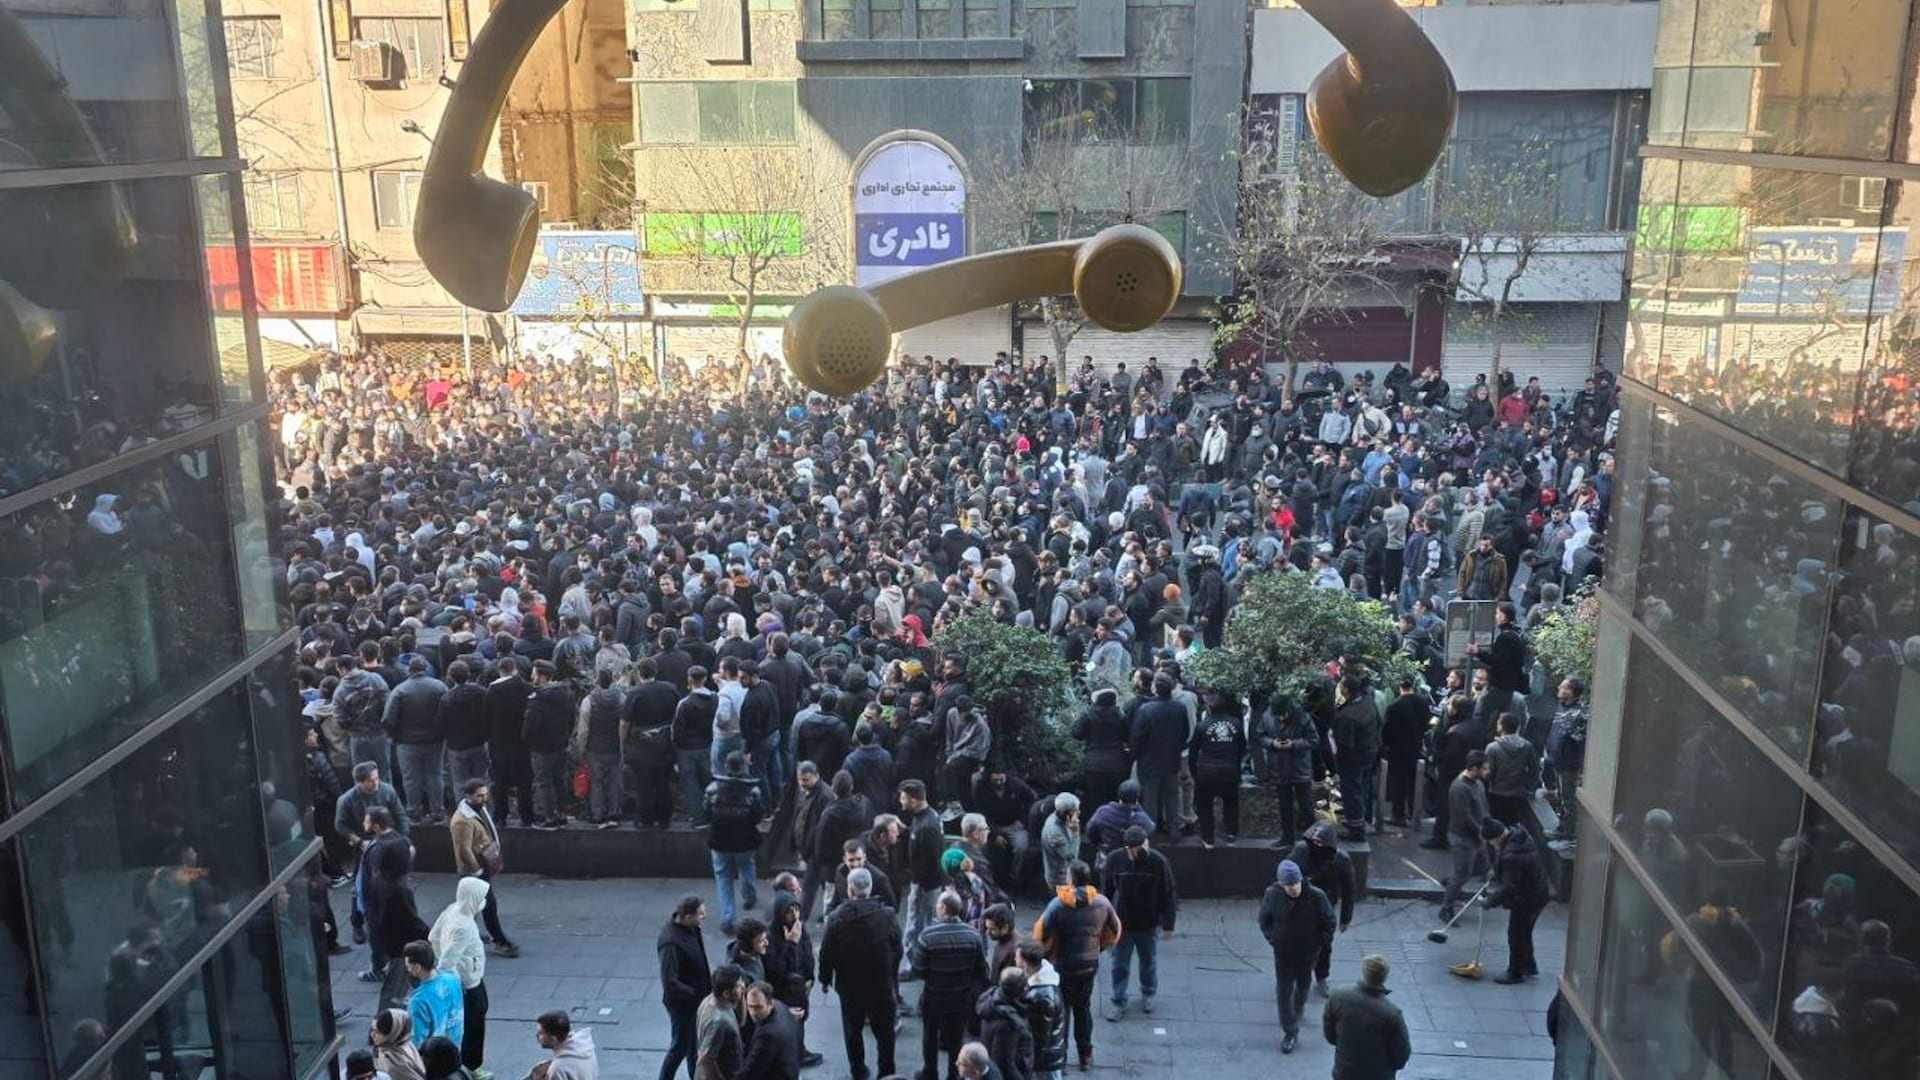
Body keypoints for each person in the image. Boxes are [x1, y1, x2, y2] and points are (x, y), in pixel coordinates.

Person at [1032, 861, 1121, 1072]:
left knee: (1061, 1012)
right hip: (1089, 965)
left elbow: (1039, 935)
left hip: (1061, 965)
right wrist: (1099, 948)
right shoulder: (1102, 903)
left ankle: (1060, 1060)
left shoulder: (1057, 905)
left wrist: (1045, 955)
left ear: (1071, 879)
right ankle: (1086, 1056)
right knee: (1083, 1009)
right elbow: (1115, 931)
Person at [817, 867, 902, 1080]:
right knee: (885, 1032)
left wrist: (825, 978)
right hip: (881, 984)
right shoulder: (887, 915)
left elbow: (827, 952)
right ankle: (887, 1072)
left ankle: (858, 1070)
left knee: (853, 1031)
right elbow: (897, 948)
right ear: (870, 887)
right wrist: (890, 971)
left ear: (850, 889)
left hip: (850, 986)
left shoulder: (836, 918)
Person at [1258, 859, 1335, 1055]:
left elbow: (1329, 922)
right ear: (1281, 884)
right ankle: (1290, 1031)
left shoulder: (1316, 897)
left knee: (1302, 986)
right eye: (1288, 885)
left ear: (1301, 880)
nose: (1292, 888)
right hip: (1283, 954)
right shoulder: (1272, 895)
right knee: (1283, 993)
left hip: (1308, 954)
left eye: (1295, 883)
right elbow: (1264, 921)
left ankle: (1298, 1008)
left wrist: (1319, 944)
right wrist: (1274, 940)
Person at [911, 889, 991, 1080]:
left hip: (934, 995)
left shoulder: (927, 936)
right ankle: (954, 1074)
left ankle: (930, 1071)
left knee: (930, 1036)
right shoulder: (973, 935)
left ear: (943, 908)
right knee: (956, 1038)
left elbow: (917, 969)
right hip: (960, 996)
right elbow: (980, 968)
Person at [1099, 826, 1175, 1021]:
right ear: (1128, 848)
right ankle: (1118, 1000)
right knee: (1119, 964)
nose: (1143, 850)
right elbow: (1106, 890)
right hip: (1122, 923)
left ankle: (1148, 993)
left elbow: (1168, 892)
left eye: (1144, 844)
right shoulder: (1115, 860)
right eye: (1137, 847)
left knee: (1148, 962)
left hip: (1148, 923)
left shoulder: (1158, 862)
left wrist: (1168, 924)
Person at [336, 761, 409, 948]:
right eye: (370, 781)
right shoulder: (347, 799)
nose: (375, 783)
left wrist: (403, 840)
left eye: (376, 779)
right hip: (363, 844)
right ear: (359, 782)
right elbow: (340, 825)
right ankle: (357, 923)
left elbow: (400, 815)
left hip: (388, 840)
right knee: (360, 884)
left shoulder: (387, 791)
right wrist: (358, 841)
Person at [364, 806, 429, 1011]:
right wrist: (429, 934)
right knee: (396, 987)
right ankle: (383, 1023)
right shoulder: (399, 889)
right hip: (402, 944)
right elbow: (411, 919)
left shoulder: (379, 881)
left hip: (390, 941)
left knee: (411, 980)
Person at [428, 876, 492, 1076]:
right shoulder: (464, 926)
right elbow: (448, 961)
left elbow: (433, 937)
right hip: (469, 983)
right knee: (474, 1024)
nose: (484, 901)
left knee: (471, 1020)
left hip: (466, 980)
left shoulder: (452, 909)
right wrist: (458, 974)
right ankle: (473, 1066)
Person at [448, 779, 519, 958]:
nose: (484, 798)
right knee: (488, 905)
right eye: (480, 795)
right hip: (474, 870)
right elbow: (463, 849)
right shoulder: (462, 821)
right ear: (468, 796)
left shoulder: (477, 809)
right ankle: (500, 941)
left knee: (469, 907)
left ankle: (464, 936)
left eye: (485, 794)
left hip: (482, 865)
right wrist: (476, 871)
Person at [1287, 820, 1357, 998]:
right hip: (1301, 904)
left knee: (1325, 945)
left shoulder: (1341, 860)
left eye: (1321, 842)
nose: (1317, 846)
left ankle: (1321, 977)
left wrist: (1346, 917)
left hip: (1326, 907)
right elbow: (1284, 874)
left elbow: (1349, 889)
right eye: (1314, 841)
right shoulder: (1302, 851)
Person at [765, 874, 824, 1068]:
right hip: (785, 988)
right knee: (790, 1023)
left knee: (800, 1020)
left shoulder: (800, 927)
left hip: (800, 984)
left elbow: (807, 951)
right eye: (789, 912)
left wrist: (810, 976)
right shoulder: (773, 936)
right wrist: (790, 944)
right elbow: (775, 969)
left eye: (796, 910)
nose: (795, 916)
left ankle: (800, 1050)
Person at [1323, 954, 1413, 1080]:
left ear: (1363, 973)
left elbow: (1330, 1035)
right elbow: (1401, 1054)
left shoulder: (1337, 996)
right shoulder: (1392, 1014)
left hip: (1345, 1070)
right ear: (1384, 977)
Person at [706, 749, 766, 935]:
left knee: (723, 877)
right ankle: (749, 896)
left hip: (720, 840)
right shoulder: (752, 790)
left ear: (726, 766)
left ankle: (728, 917)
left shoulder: (713, 789)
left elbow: (707, 813)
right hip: (745, 840)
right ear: (744, 766)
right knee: (746, 867)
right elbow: (757, 816)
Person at [1483, 819, 1551, 984]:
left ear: (1497, 838)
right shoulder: (1519, 837)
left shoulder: (1512, 856)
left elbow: (1510, 887)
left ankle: (1515, 972)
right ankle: (1528, 965)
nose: (1492, 846)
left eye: (1491, 842)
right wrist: (1496, 870)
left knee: (1516, 934)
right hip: (1539, 892)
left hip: (1527, 899)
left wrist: (1489, 901)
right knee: (1525, 932)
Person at [385, 657, 451, 822]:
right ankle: (437, 811)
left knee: (411, 778)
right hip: (435, 740)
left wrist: (395, 735)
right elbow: (448, 709)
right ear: (425, 669)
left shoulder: (400, 690)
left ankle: (414, 811)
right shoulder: (439, 687)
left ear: (410, 671)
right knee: (435, 776)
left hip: (407, 742)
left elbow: (388, 718)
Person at [658, 896, 714, 1080]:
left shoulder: (691, 928)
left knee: (693, 1046)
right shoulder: (670, 942)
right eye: (701, 914)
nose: (704, 917)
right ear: (688, 916)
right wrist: (695, 993)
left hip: (695, 999)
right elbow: (670, 981)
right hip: (682, 1005)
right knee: (680, 1046)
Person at [1128, 674, 1188, 836]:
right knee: (1172, 796)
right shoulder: (1180, 708)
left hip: (1149, 762)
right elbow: (1184, 733)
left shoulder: (1145, 710)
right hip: (1171, 760)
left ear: (1155, 689)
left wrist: (1135, 754)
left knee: (1150, 800)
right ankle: (1174, 830)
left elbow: (1137, 737)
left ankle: (1150, 833)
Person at [1187, 690, 1247, 848]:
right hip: (1230, 769)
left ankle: (1208, 838)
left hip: (1207, 771)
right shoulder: (1236, 723)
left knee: (1205, 804)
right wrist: (1236, 763)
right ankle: (1231, 834)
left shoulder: (1202, 726)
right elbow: (1243, 747)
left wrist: (1194, 771)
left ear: (1209, 708)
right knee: (1231, 802)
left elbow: (1193, 751)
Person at [1439, 752, 1493, 924]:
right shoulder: (1460, 788)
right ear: (1474, 768)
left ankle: (1455, 887)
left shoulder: (1478, 784)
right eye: (1484, 768)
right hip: (1463, 838)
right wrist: (1481, 832)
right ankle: (1446, 907)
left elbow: (1482, 809)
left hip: (1477, 836)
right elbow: (1465, 816)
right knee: (1462, 874)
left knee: (1484, 869)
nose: (1487, 772)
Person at [1380, 678, 1430, 828]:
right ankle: (1413, 811)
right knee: (1414, 781)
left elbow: (1388, 730)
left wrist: (1386, 745)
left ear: (1399, 687)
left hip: (1398, 749)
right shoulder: (1423, 702)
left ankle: (1399, 814)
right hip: (1416, 747)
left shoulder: (1395, 706)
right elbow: (1425, 723)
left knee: (1398, 782)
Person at [1016, 941, 1068, 1080]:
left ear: (1025, 964)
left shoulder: (1040, 997)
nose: (1015, 961)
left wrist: (1030, 1064)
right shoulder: (1043, 983)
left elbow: (1040, 1039)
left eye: (1017, 958)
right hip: (1050, 1058)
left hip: (1046, 1063)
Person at [1545, 677, 1588, 839]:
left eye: (1564, 687)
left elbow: (1577, 742)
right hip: (1557, 760)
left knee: (1568, 798)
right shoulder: (1561, 707)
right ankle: (1562, 828)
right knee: (1562, 796)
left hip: (1568, 764)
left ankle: (1569, 833)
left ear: (1573, 693)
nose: (1559, 689)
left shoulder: (1580, 714)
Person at [403, 940, 465, 1049]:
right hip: (455, 1045)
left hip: (433, 1056)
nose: (407, 970)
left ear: (417, 967)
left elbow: (417, 1039)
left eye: (408, 966)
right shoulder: (453, 979)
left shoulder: (418, 1000)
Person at [977, 967, 1035, 1080]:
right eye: (1025, 984)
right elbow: (1005, 1065)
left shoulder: (993, 1001)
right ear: (1019, 989)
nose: (1028, 987)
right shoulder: (1008, 1024)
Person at [1484, 712, 1541, 827]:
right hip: (1518, 793)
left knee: (1497, 825)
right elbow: (1534, 770)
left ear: (1501, 726)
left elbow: (1488, 773)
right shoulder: (1527, 746)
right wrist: (1527, 786)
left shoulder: (1492, 748)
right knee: (1514, 825)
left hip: (1497, 792)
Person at [738, 980, 803, 1080]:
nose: (753, 1012)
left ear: (770, 1004)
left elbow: (751, 1071)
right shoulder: (780, 1006)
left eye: (758, 1007)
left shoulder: (768, 1035)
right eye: (750, 1006)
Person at [696, 964, 747, 1080]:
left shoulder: (712, 1000)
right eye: (738, 986)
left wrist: (741, 994)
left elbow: (741, 1022)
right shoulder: (719, 1022)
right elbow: (706, 1058)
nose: (743, 987)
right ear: (726, 993)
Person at [1083, 781, 1154, 864]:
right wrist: (1138, 808)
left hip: (1107, 856)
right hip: (1131, 859)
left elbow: (1090, 830)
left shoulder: (1103, 812)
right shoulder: (1141, 818)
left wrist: (1099, 844)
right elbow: (1151, 828)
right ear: (1137, 797)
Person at [529, 1009, 597, 1080]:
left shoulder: (558, 1069)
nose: (536, 1035)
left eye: (540, 1033)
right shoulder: (585, 1047)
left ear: (553, 1039)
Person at [1039, 793, 1082, 889]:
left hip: (1066, 875)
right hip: (1060, 880)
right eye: (1075, 810)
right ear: (1065, 813)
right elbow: (1072, 858)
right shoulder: (1054, 832)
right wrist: (1075, 833)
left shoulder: (1057, 817)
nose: (1079, 812)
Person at [372, 1009, 427, 1080]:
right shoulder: (406, 1043)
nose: (372, 1035)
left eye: (378, 1032)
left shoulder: (391, 1062)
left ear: (392, 1033)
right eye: (372, 1030)